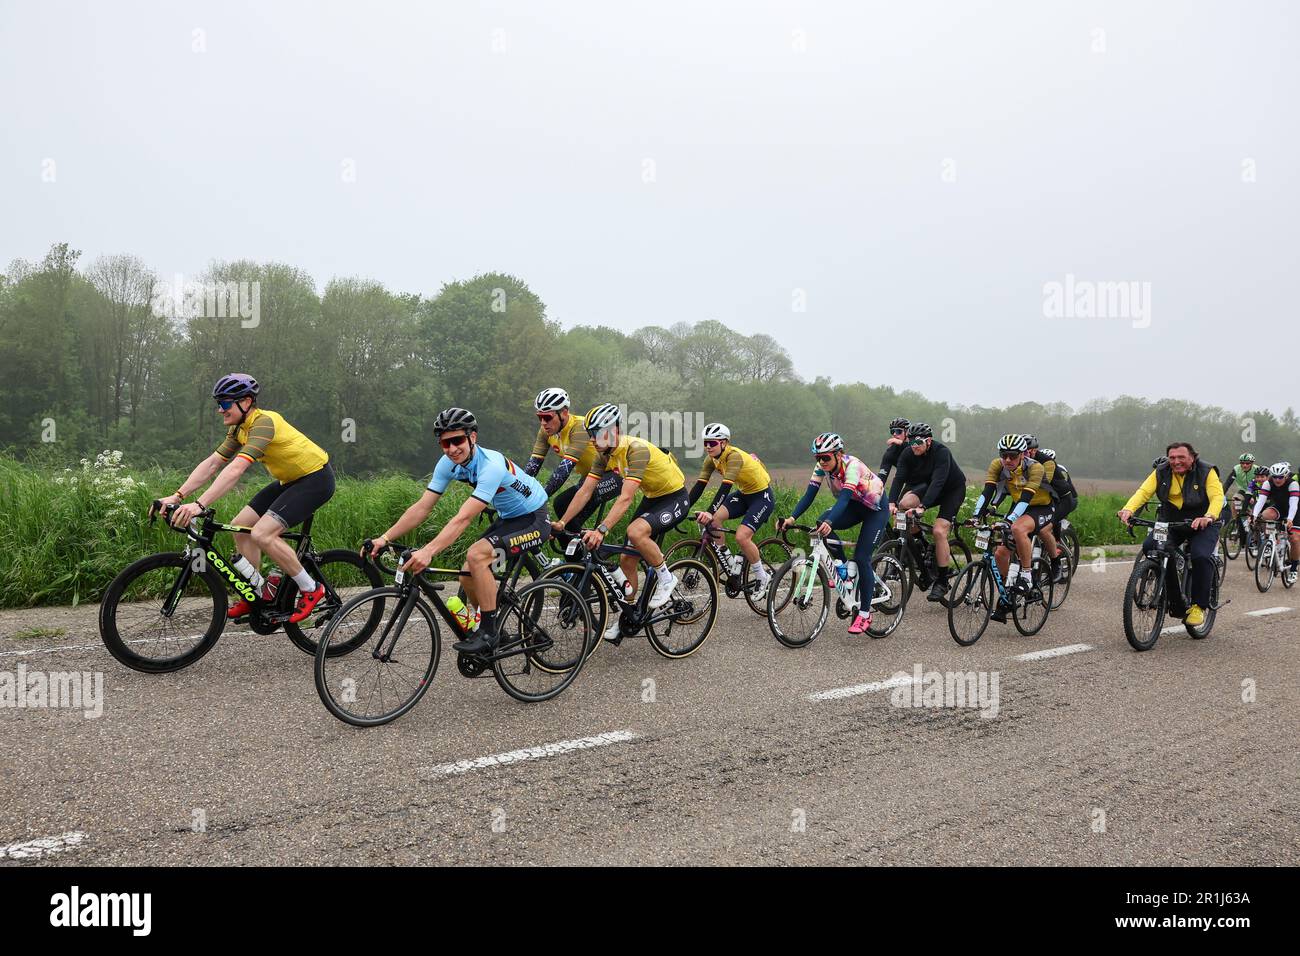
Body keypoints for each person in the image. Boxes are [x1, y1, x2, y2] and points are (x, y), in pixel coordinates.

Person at [365, 407, 550, 655]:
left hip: (533, 517)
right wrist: (385, 537)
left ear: (472, 437)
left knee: (477, 556)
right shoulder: (447, 464)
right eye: (445, 443)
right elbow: (422, 507)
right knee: (466, 573)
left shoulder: (491, 465)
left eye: (457, 440)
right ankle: (495, 624)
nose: (452, 448)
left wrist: (428, 550)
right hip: (509, 517)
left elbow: (463, 518)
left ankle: (488, 632)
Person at [160, 373, 334, 624]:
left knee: (262, 534)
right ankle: (256, 593)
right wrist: (177, 495)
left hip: (316, 479)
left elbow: (236, 469)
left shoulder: (263, 423)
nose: (220, 409)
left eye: (225, 403)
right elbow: (213, 464)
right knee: (241, 528)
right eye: (218, 404)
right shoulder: (238, 429)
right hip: (290, 480)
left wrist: (199, 505)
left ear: (246, 401)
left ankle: (310, 588)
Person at [554, 403, 689, 639]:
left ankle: (666, 577)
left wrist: (601, 530)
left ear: (611, 430)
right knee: (627, 558)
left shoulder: (636, 450)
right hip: (653, 498)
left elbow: (626, 498)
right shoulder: (604, 454)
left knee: (636, 532)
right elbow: (584, 492)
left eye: (595, 433)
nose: (592, 440)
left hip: (675, 497)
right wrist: (563, 522)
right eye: (589, 434)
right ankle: (629, 615)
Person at [777, 433, 888, 635]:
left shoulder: (852, 466)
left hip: (875, 509)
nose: (821, 461)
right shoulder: (822, 467)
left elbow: (843, 500)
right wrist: (791, 519)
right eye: (818, 458)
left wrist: (831, 521)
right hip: (856, 505)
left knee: (862, 557)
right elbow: (809, 495)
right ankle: (843, 568)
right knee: (820, 523)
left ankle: (864, 614)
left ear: (838, 454)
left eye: (826, 457)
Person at [1118, 441, 1225, 628]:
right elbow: (1143, 492)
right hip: (1170, 520)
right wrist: (1128, 509)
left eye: (1181, 457)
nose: (1176, 461)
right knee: (1151, 546)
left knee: (1200, 555)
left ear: (1192, 457)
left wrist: (1209, 516)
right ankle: (1175, 600)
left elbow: (1217, 497)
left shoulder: (1207, 471)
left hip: (1203, 521)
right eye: (1172, 457)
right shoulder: (1161, 470)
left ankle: (1198, 606)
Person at [972, 434, 1056, 623]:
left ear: (1022, 454)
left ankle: (1026, 574)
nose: (1008, 460)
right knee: (1000, 554)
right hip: (1020, 506)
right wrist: (976, 515)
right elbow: (987, 491)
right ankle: (1007, 595)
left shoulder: (1035, 467)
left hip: (1041, 506)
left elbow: (1026, 497)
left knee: (1017, 529)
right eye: (1004, 455)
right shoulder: (997, 465)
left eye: (1012, 455)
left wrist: (1009, 521)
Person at [686, 423, 774, 593]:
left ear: (724, 443)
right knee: (714, 521)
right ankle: (729, 560)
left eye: (712, 443)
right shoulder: (710, 460)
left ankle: (762, 576)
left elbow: (725, 488)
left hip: (762, 497)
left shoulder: (734, 456)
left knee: (742, 537)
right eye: (705, 443)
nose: (707, 447)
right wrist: (683, 507)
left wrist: (709, 511)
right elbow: (700, 485)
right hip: (744, 494)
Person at [887, 422, 967, 601]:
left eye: (918, 443)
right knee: (904, 504)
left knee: (939, 531)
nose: (914, 447)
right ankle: (921, 543)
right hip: (929, 486)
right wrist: (892, 502)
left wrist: (922, 507)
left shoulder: (941, 452)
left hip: (951, 490)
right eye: (911, 443)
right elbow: (899, 478)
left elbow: (939, 481)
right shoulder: (908, 452)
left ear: (928, 441)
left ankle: (942, 580)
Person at [523, 387, 621, 532]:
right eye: (540, 417)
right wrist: (517, 490)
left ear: (564, 412)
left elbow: (563, 470)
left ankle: (586, 547)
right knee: (561, 506)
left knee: (580, 500)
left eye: (548, 417)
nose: (543, 423)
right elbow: (533, 466)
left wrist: (539, 498)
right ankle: (580, 551)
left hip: (615, 473)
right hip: (591, 476)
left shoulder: (580, 427)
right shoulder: (546, 431)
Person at [1249, 462, 1299, 574]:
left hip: (1294, 511)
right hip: (1279, 508)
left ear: (1286, 475)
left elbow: (1294, 503)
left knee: (1295, 539)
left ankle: (1294, 569)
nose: (1277, 479)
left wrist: (1290, 519)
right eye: (1275, 476)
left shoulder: (1293, 484)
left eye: (1280, 477)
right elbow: (1261, 500)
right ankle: (1270, 540)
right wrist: (1254, 515)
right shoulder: (1268, 483)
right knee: (1264, 515)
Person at [877, 418, 911, 485]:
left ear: (907, 432)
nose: (895, 434)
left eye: (898, 431)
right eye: (892, 431)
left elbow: (913, 450)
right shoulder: (890, 452)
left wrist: (902, 443)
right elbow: (882, 477)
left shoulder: (918, 446)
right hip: (911, 483)